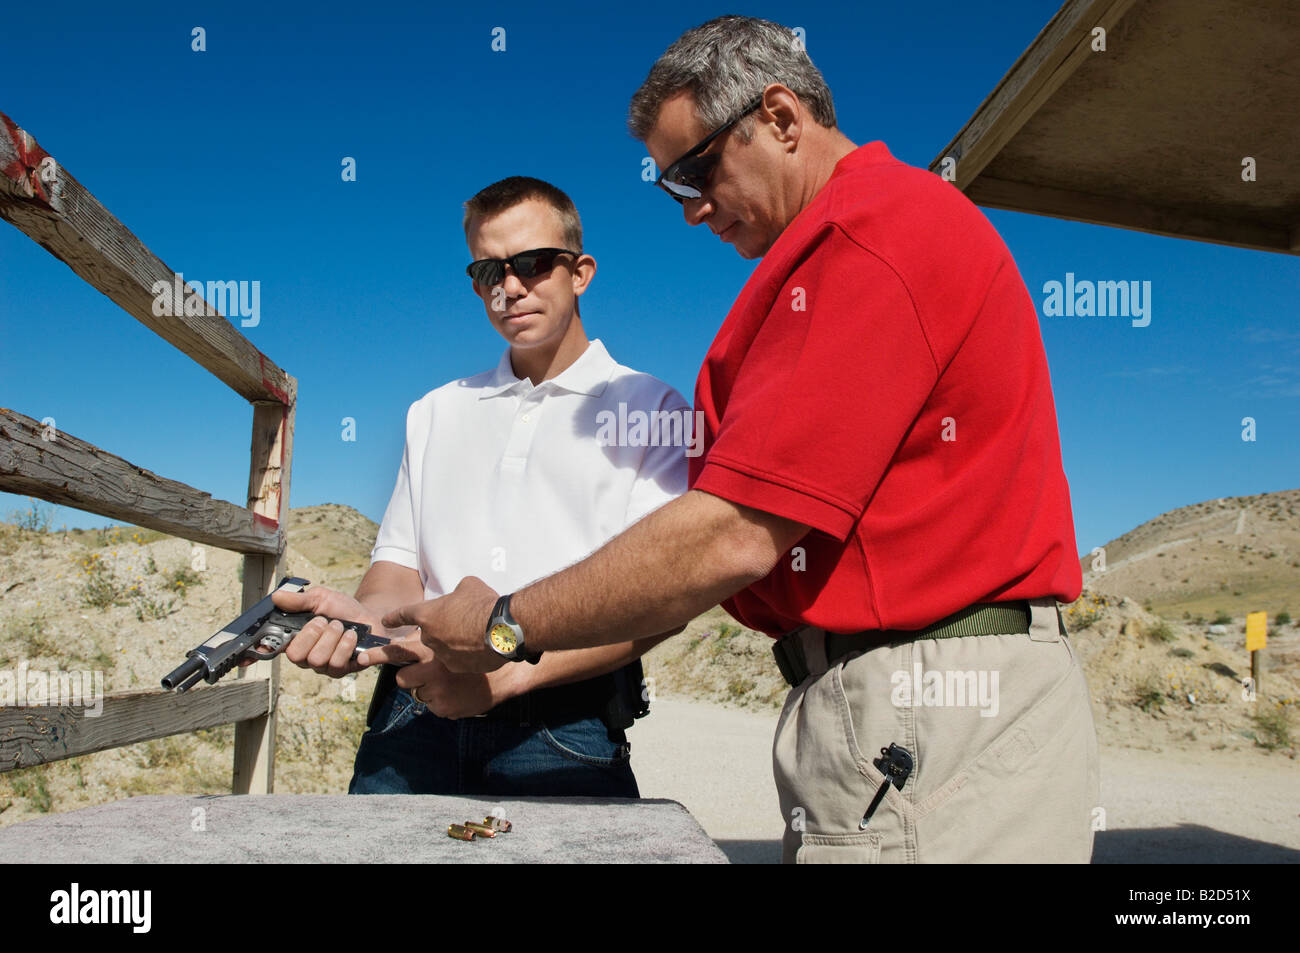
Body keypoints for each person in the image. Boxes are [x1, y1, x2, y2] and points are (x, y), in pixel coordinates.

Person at [365, 16, 1099, 863]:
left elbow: (733, 533)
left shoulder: (870, 237)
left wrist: (502, 625)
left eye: (696, 170)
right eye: (670, 188)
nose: (691, 210)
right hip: (901, 700)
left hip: (928, 701)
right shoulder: (852, 244)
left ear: (782, 118)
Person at [273, 175, 690, 797]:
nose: (510, 287)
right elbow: (397, 567)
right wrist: (365, 624)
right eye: (488, 272)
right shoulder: (435, 410)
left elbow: (663, 596)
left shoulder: (653, 407)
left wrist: (503, 678)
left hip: (562, 725)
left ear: (581, 272)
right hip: (412, 711)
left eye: (532, 263)